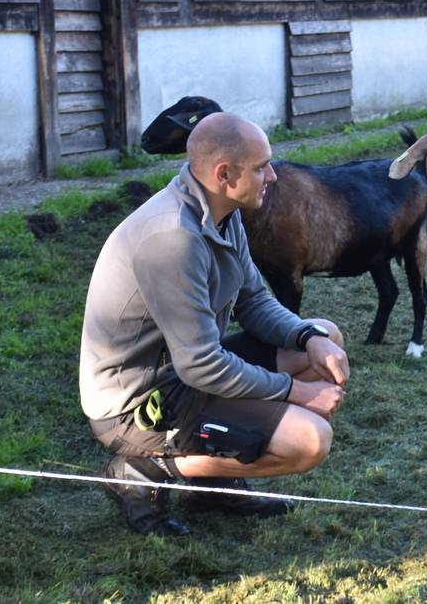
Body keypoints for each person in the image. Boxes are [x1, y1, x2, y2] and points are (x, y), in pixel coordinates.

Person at [79, 112, 349, 535]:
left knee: (324, 333)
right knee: (310, 440)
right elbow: (202, 366)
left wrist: (306, 337)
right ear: (225, 174)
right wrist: (297, 392)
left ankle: (214, 484)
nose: (273, 176)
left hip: (185, 369)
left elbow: (255, 300)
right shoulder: (173, 239)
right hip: (138, 404)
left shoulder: (223, 212)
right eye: (262, 167)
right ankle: (141, 470)